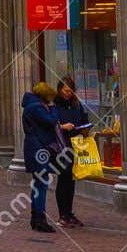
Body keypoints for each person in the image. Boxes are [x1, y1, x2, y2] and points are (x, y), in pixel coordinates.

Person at [53, 75, 94, 228]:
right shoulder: (54, 105)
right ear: (59, 89)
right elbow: (51, 123)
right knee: (63, 178)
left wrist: (85, 128)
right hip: (61, 146)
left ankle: (69, 213)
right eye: (65, 91)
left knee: (71, 179)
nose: (68, 94)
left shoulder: (76, 104)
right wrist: (63, 127)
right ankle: (62, 214)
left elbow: (83, 119)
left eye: (70, 91)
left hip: (75, 144)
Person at [22, 81, 61, 233]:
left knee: (38, 184)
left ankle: (36, 217)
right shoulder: (36, 107)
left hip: (36, 149)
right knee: (42, 184)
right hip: (38, 150)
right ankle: (40, 218)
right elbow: (51, 121)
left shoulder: (31, 106)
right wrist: (53, 108)